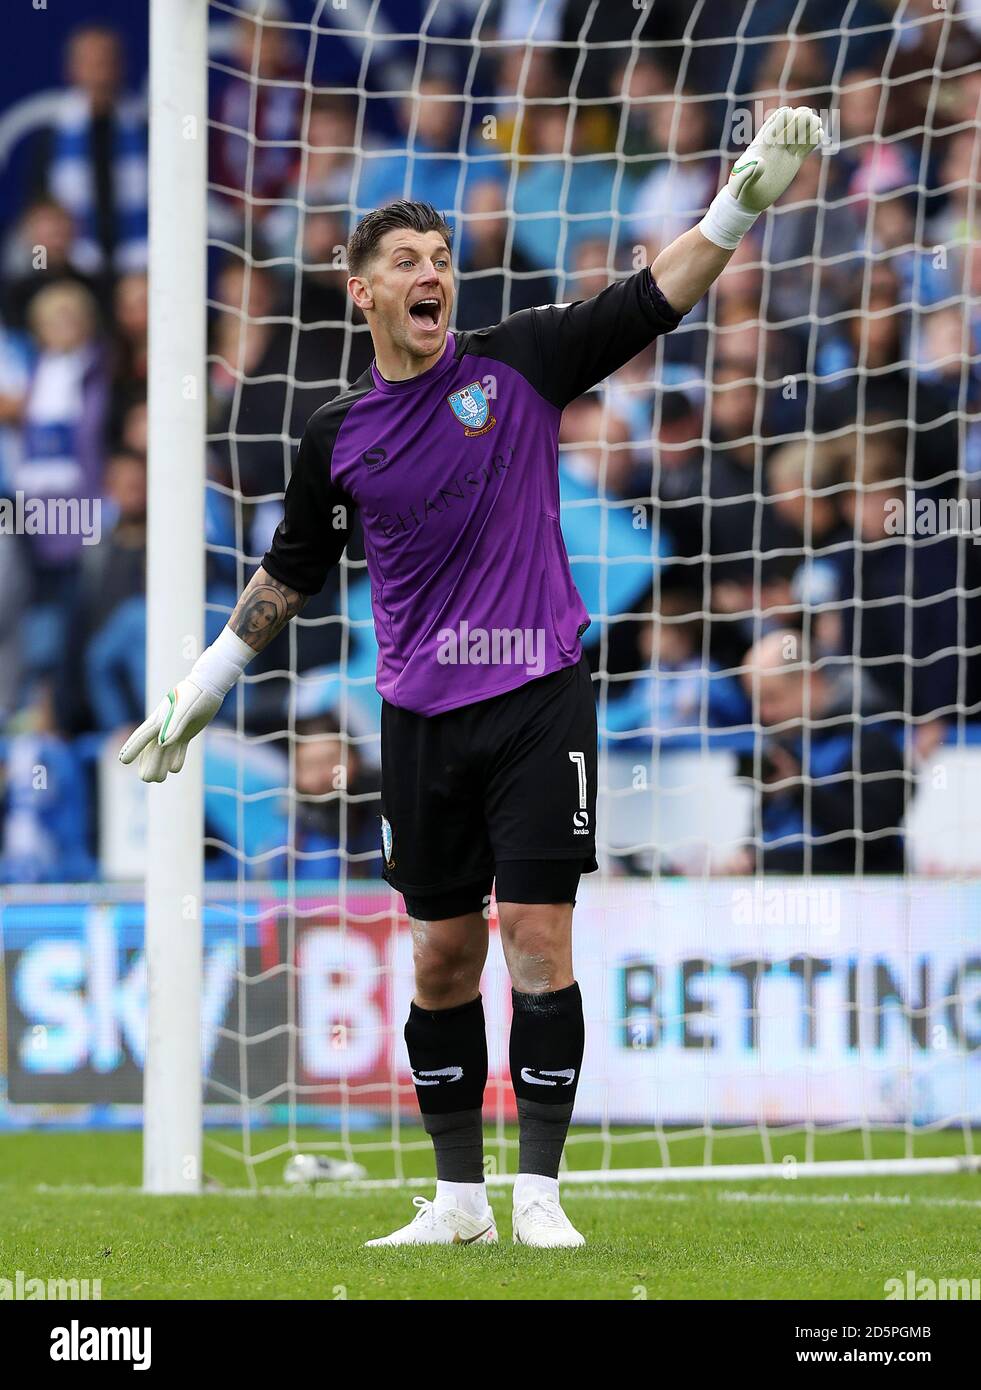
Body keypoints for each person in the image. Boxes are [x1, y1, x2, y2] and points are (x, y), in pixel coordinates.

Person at [121, 107, 825, 1248]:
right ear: (362, 292)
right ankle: (459, 1203)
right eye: (405, 261)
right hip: (417, 718)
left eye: (441, 257)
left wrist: (741, 198)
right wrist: (205, 681)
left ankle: (540, 1194)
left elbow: (656, 296)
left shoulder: (522, 362)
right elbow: (288, 571)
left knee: (538, 935)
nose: (430, 271)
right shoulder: (334, 435)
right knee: (443, 953)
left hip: (542, 695)